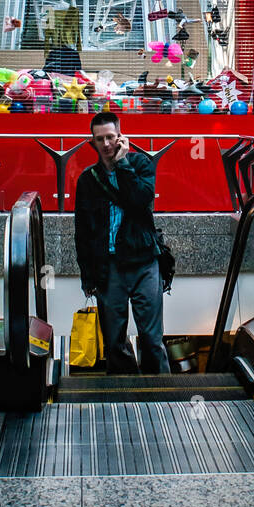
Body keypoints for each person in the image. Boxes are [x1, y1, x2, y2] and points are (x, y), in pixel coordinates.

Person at [74, 112, 170, 374]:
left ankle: (161, 394)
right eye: (99, 139)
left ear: (121, 137)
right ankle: (123, 390)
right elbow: (82, 231)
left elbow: (141, 200)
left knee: (152, 339)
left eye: (110, 137)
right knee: (114, 341)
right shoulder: (87, 179)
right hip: (109, 266)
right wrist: (87, 275)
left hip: (143, 261)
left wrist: (123, 163)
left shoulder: (140, 164)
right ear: (92, 141)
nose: (106, 144)